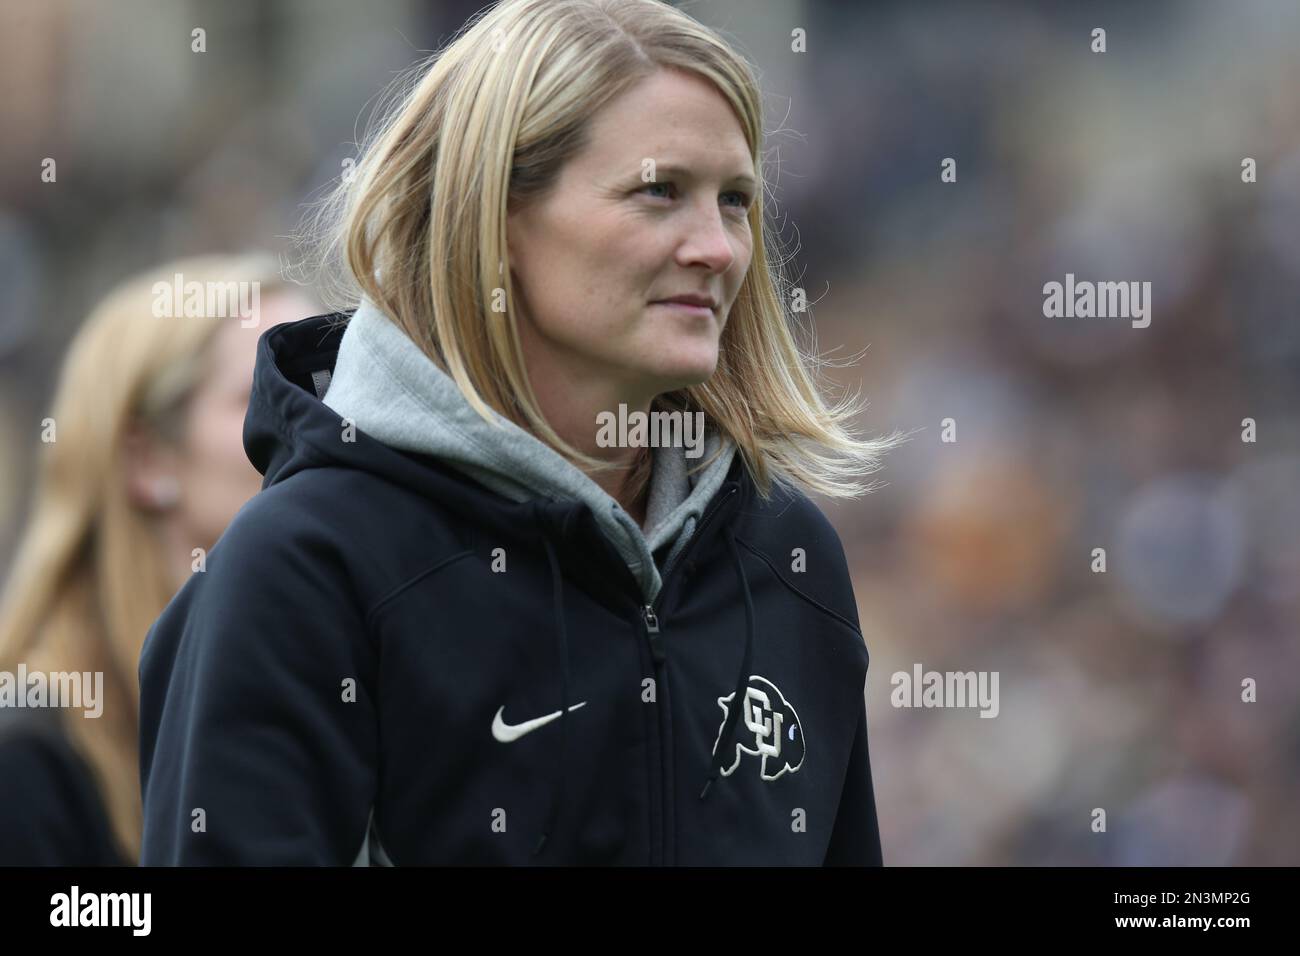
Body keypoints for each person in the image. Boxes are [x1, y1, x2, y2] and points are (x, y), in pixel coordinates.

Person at [138, 0, 904, 865]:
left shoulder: (788, 558)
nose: (720, 247)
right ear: (495, 217)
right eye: (660, 191)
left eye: (734, 200)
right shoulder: (306, 569)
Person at [0, 254, 314, 864]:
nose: (318, 422)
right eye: (263, 395)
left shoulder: (311, 696)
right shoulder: (27, 761)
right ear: (149, 461)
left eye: (321, 388)